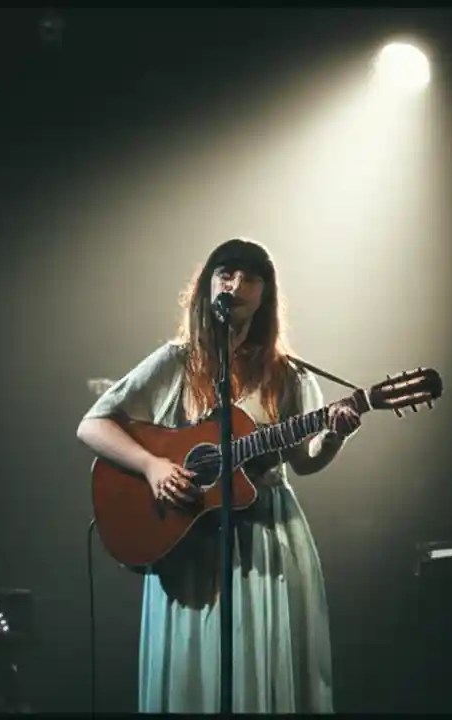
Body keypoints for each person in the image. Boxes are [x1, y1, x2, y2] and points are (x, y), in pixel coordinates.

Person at [77, 238, 361, 714]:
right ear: (208, 285)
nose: (236, 284)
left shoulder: (287, 375)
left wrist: (332, 435)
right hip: (190, 538)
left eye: (251, 277)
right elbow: (93, 424)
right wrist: (152, 466)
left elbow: (304, 460)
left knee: (258, 670)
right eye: (226, 273)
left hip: (264, 537)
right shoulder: (178, 360)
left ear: (266, 294)